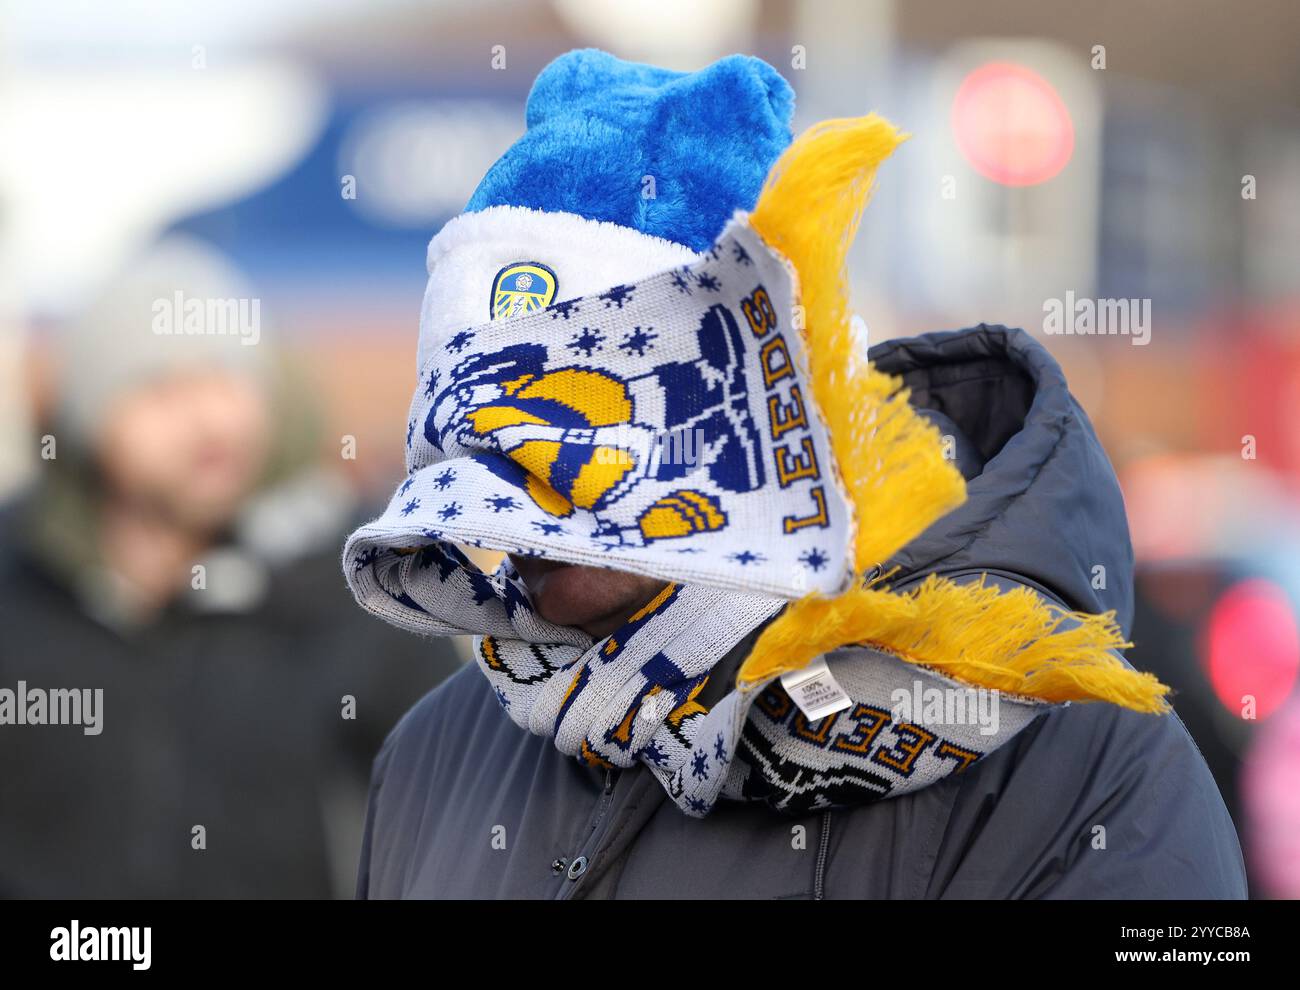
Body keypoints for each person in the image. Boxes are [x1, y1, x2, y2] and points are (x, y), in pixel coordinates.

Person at [343, 49, 1247, 899]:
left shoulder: (1076, 769)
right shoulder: (438, 753)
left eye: (569, 434)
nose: (511, 489)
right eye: (479, 435)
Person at [0, 237, 462, 897]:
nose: (211, 419)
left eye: (229, 379)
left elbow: (452, 823)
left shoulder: (358, 588)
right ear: (88, 419)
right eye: (163, 388)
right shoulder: (18, 589)